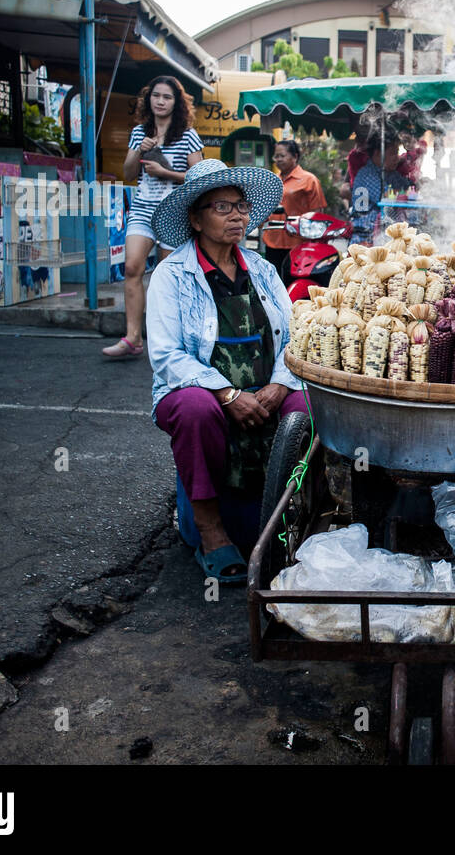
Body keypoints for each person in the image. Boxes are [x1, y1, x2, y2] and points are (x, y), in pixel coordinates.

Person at [145, 159, 307, 584]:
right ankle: (211, 531)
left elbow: (293, 337)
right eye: (222, 207)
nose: (237, 215)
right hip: (201, 393)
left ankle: (297, 516)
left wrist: (278, 385)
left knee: (309, 406)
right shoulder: (171, 275)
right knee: (195, 410)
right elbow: (166, 355)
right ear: (195, 219)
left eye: (241, 206)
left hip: (266, 386)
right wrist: (227, 394)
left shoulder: (265, 270)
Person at [103, 75, 203, 358]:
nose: (160, 101)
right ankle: (133, 338)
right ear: (148, 98)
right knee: (132, 267)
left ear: (176, 102)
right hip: (143, 208)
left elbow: (198, 177)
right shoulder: (139, 133)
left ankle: (169, 340)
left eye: (167, 97)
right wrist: (140, 151)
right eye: (156, 95)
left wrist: (167, 173)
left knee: (166, 276)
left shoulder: (187, 135)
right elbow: (129, 173)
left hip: (174, 210)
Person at [349, 129, 409, 245]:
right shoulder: (367, 174)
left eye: (397, 152)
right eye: (393, 153)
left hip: (383, 233)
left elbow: (408, 188)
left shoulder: (391, 173)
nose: (397, 158)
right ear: (378, 153)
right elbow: (387, 197)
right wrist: (405, 193)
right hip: (366, 237)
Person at [273, 140, 327, 218]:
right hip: (271, 229)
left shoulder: (309, 180)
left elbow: (317, 213)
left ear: (295, 157)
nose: (279, 159)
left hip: (297, 229)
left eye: (282, 156)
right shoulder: (273, 181)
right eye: (276, 156)